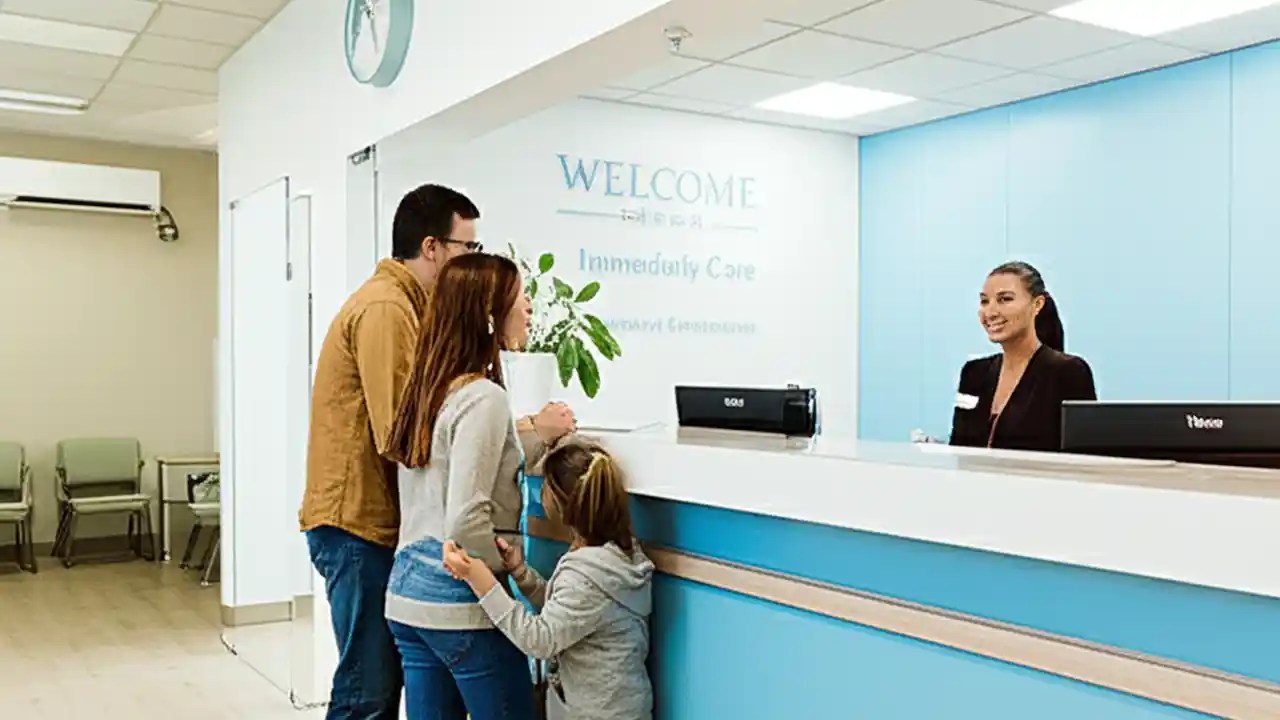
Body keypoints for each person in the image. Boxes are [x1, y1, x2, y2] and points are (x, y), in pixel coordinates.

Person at [300, 184, 574, 719]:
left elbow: (433, 429)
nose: (472, 259)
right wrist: (504, 575)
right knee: (367, 695)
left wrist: (519, 434)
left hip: (404, 566)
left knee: (378, 691)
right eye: (467, 248)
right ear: (432, 247)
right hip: (366, 533)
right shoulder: (387, 309)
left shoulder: (417, 322)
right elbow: (409, 438)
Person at [383, 252, 542, 720]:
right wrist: (500, 567)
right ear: (489, 316)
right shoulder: (484, 398)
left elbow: (448, 477)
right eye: (518, 298)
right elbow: (465, 517)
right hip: (460, 608)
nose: (528, 307)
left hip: (409, 600)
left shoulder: (429, 390)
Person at [443, 441, 654, 720]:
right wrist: (522, 574)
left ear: (563, 504)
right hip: (620, 707)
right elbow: (569, 617)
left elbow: (540, 639)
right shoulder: (615, 557)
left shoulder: (587, 576)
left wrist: (482, 583)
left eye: (545, 488)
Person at [948, 261, 1097, 452]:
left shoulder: (1068, 371)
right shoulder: (973, 373)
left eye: (1005, 299)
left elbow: (1084, 458)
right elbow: (959, 448)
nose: (991, 312)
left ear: (1037, 305)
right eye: (985, 301)